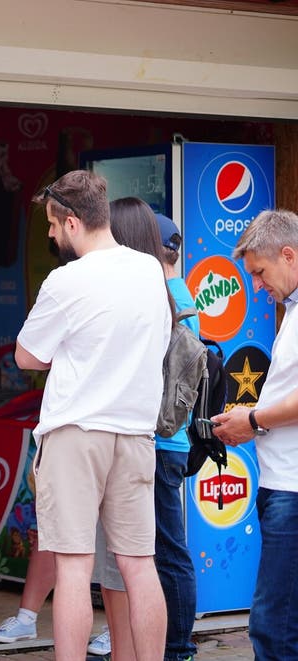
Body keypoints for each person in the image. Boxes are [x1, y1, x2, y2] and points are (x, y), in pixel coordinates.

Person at [14, 170, 170, 661]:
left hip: (76, 433)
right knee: (140, 565)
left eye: (53, 225)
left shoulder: (66, 280)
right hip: (136, 433)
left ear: (74, 222)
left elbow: (26, 356)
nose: (50, 235)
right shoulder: (150, 269)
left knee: (75, 568)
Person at [91, 199, 198, 661]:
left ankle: (173, 646)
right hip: (171, 438)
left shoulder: (159, 293)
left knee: (157, 555)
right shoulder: (179, 292)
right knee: (156, 552)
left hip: (155, 438)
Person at [211, 208, 298, 661]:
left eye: (260, 273)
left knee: (273, 627)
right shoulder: (293, 308)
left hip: (293, 491)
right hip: (281, 484)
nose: (258, 287)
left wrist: (255, 421)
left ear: (289, 254)